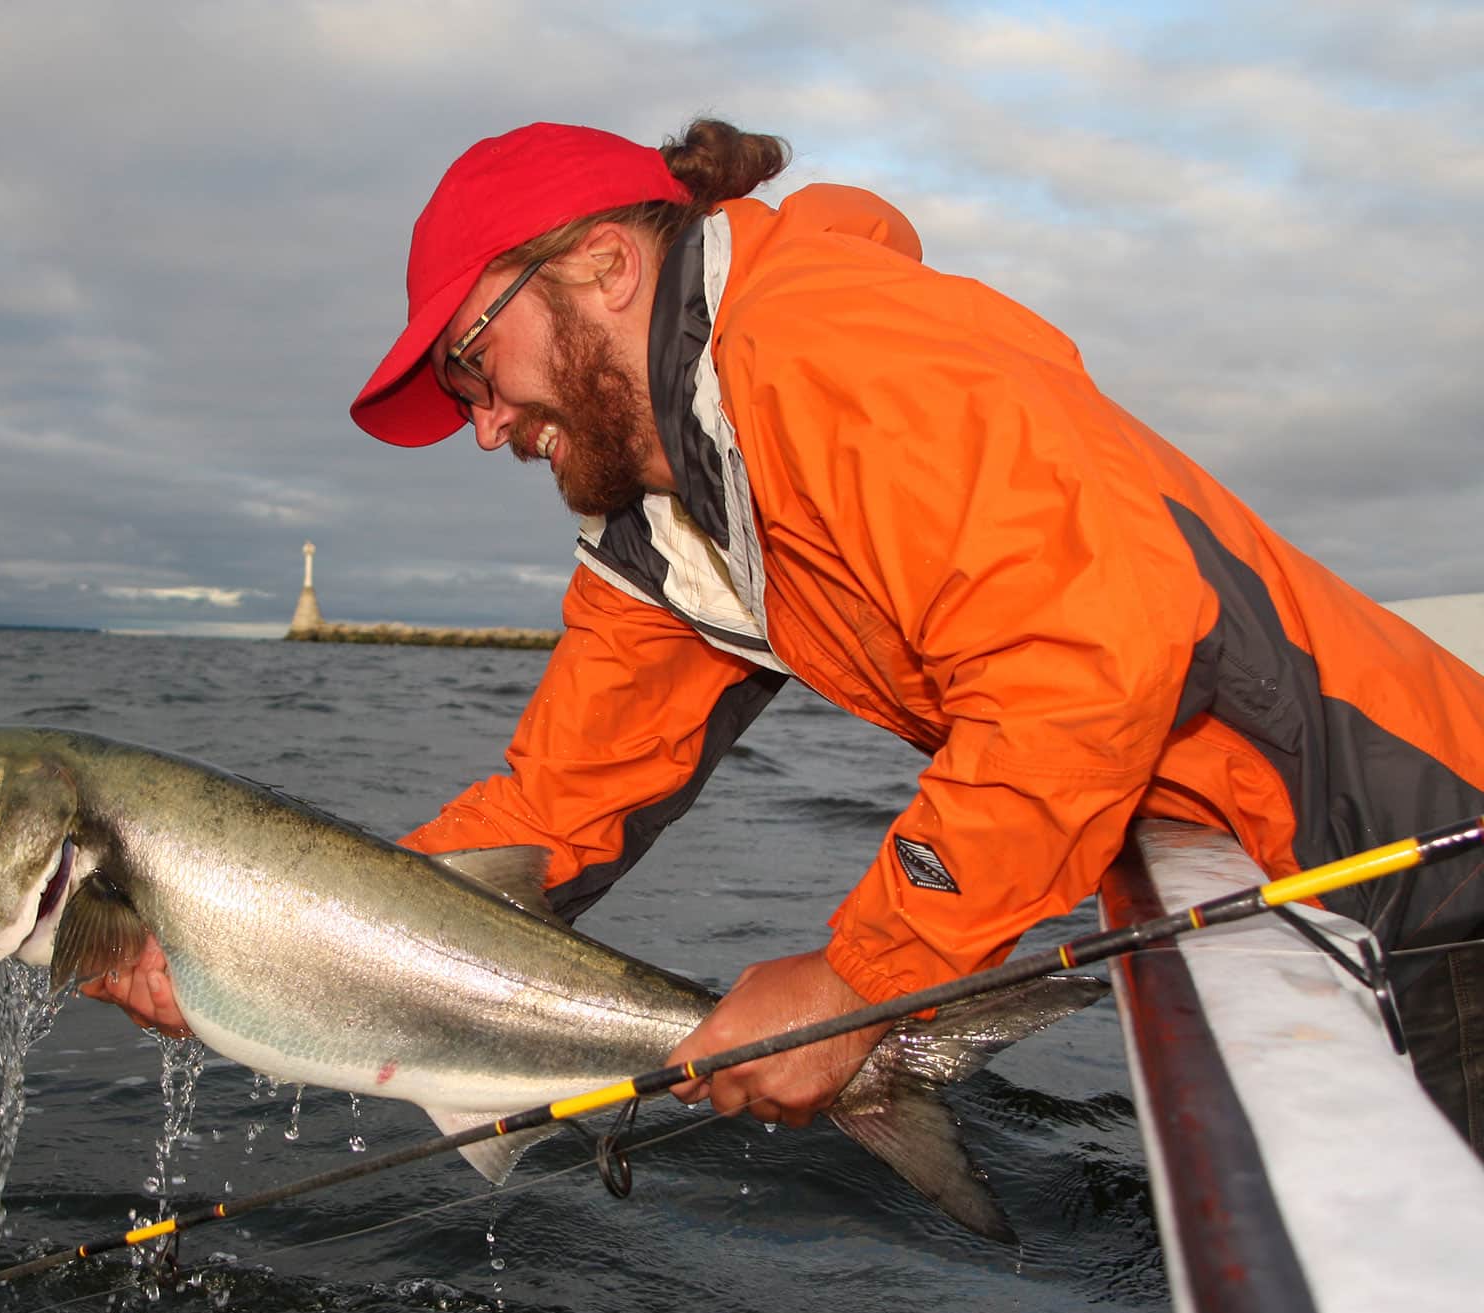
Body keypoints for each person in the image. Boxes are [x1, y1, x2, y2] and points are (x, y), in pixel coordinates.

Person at [91, 119, 1484, 1149]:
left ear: (601, 266)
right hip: (1291, 862)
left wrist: (861, 979)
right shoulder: (672, 510)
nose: (484, 423)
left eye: (471, 361)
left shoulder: (821, 347)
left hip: (1428, 851)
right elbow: (555, 808)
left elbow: (1090, 650)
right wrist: (254, 954)